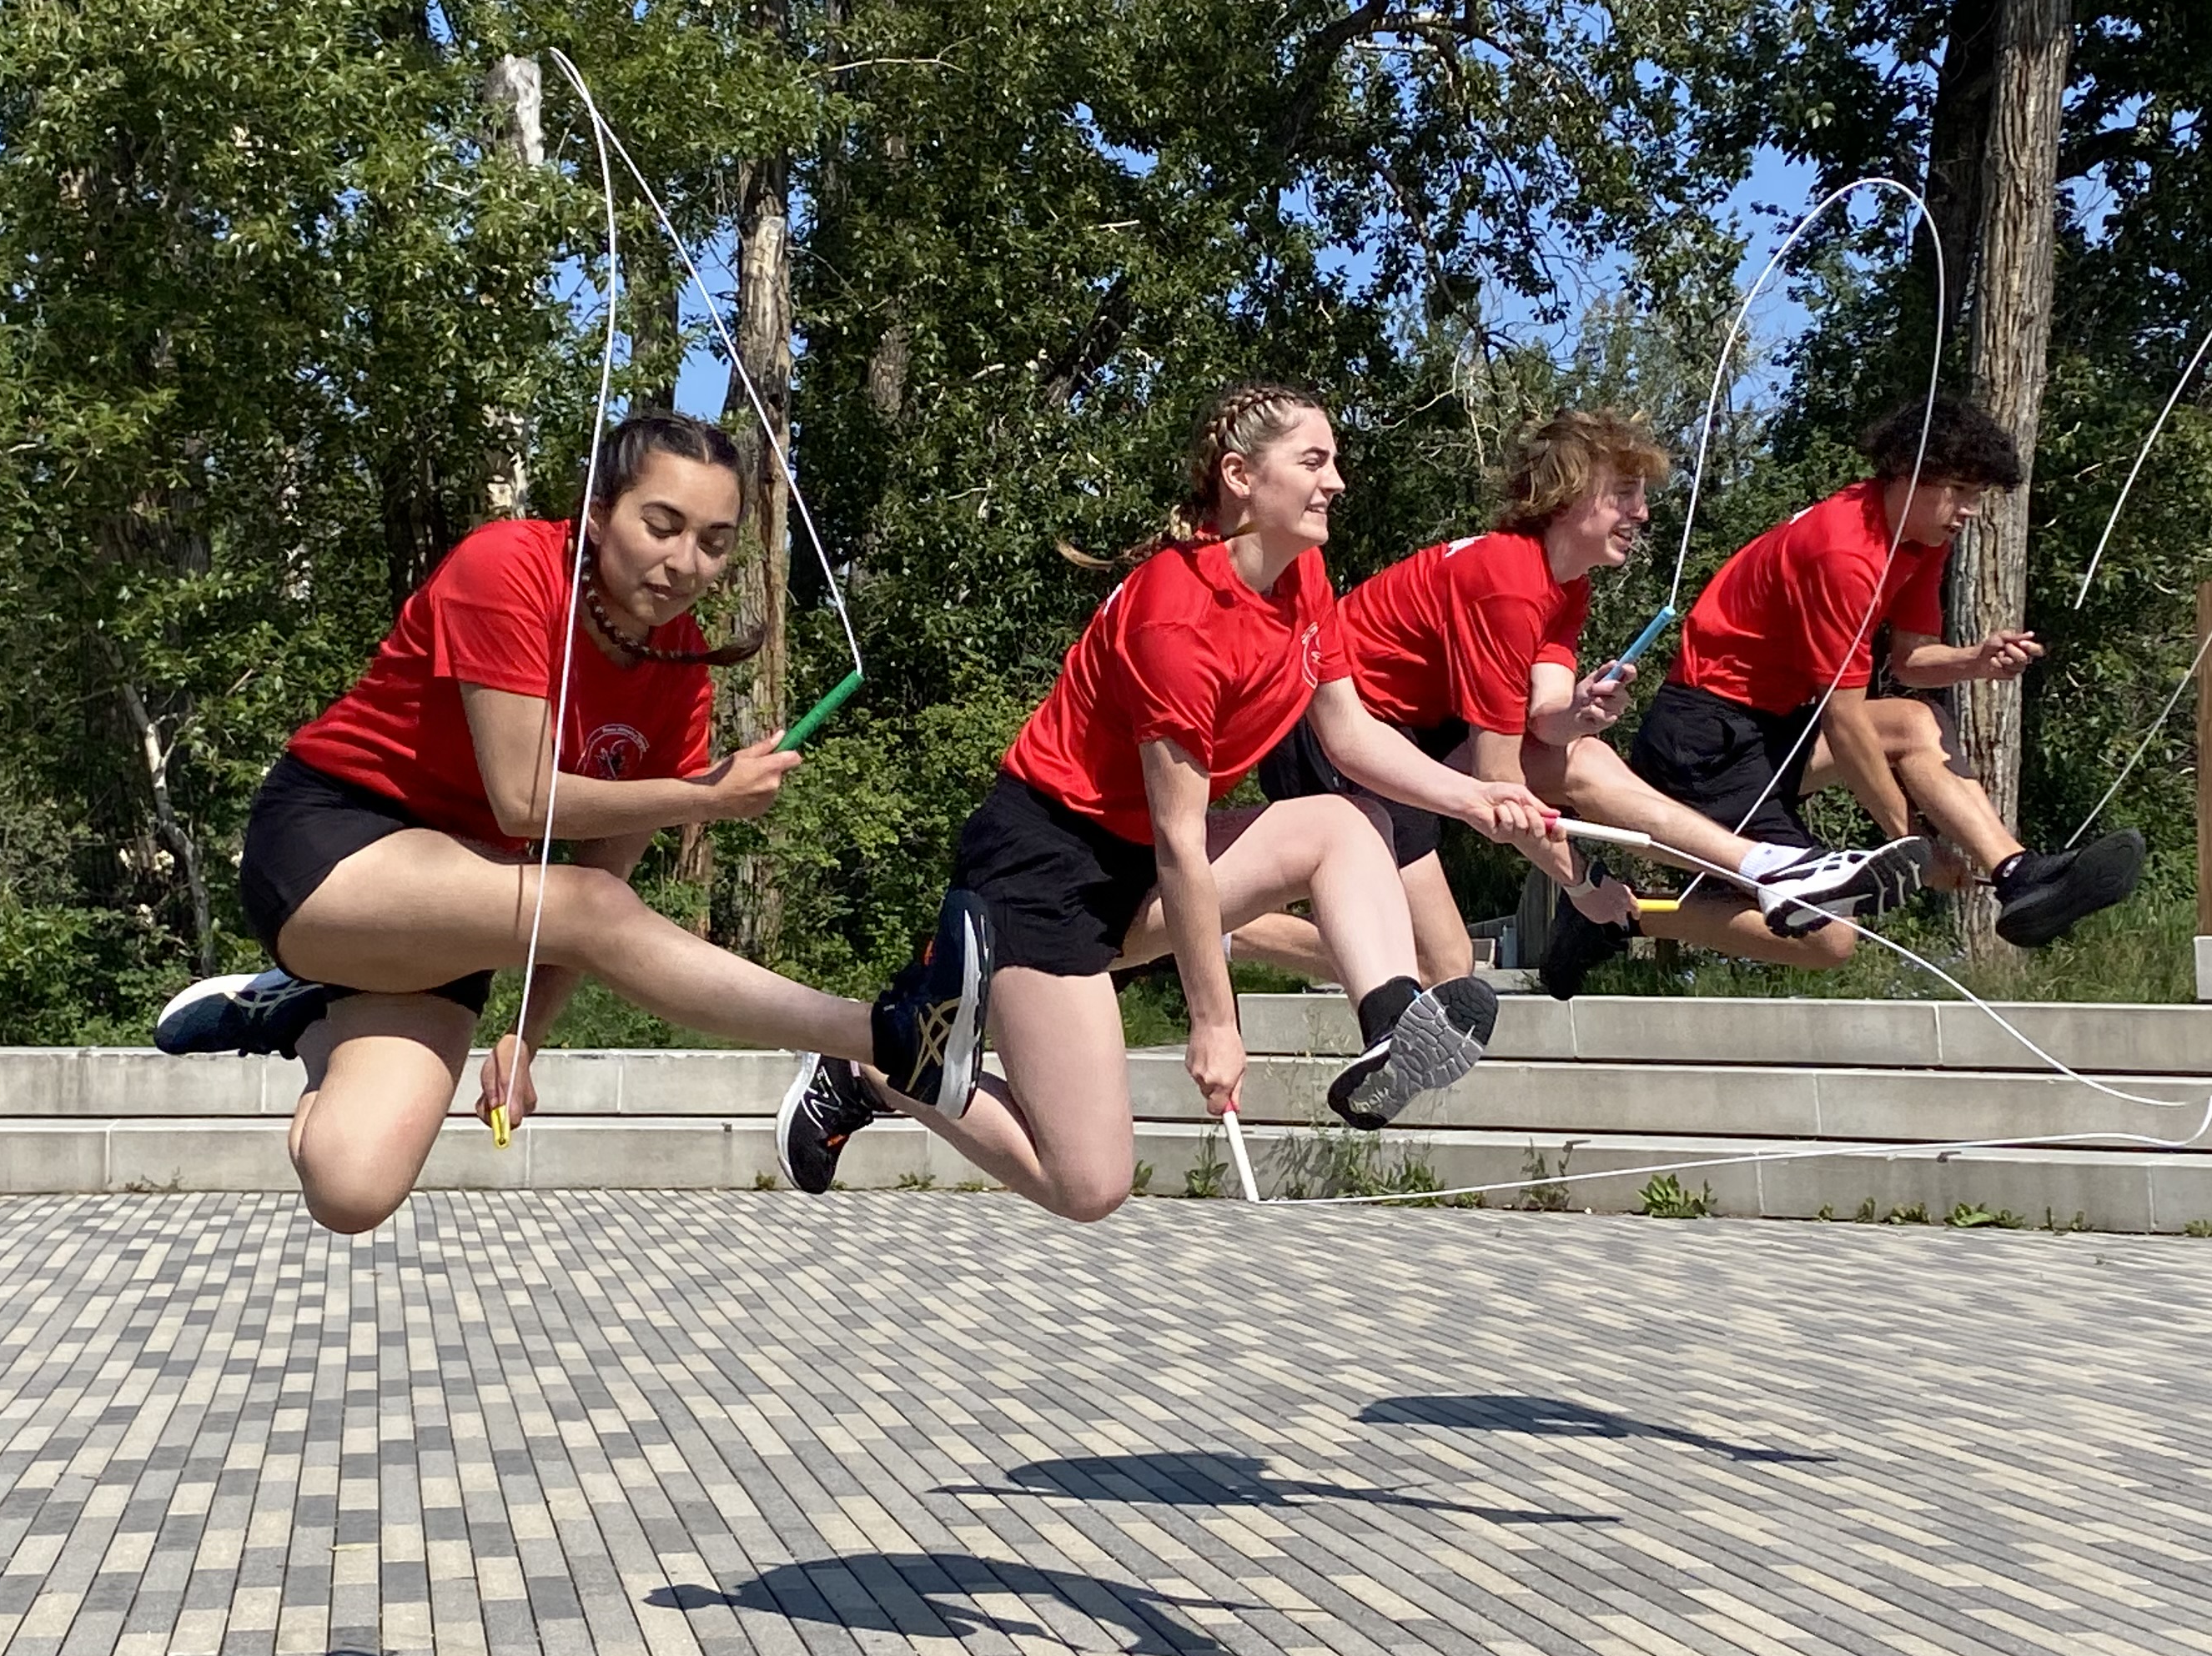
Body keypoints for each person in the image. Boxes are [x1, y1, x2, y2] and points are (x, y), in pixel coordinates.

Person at [150, 411, 985, 1232]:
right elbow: (525, 800)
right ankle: (881, 1034)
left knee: (352, 1189)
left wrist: (525, 1038)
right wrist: (701, 796)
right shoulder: (507, 566)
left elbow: (596, 890)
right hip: (335, 841)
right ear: (598, 513)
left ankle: (302, 1012)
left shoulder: (680, 674)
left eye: (715, 541)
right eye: (662, 525)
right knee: (580, 899)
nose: (684, 561)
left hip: (466, 906)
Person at [772, 384, 1585, 1219]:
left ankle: (1391, 1022)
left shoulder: (1301, 573)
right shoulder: (1177, 621)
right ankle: (868, 1063)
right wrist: (1215, 1022)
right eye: (1314, 461)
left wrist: (1476, 796)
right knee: (1089, 1186)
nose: (1337, 481)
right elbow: (1181, 846)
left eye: (1333, 460)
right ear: (1240, 475)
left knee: (1349, 822)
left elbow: (1348, 738)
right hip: (1046, 865)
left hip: (1139, 857)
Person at [1228, 409, 1929, 998]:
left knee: (1585, 756)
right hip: (1339, 738)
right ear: (1569, 496)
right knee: (1444, 967)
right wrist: (1582, 883)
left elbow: (1545, 718)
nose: (1643, 512)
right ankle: (1218, 923)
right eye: (1625, 492)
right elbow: (1500, 781)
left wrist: (1580, 712)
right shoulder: (1506, 583)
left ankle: (1768, 868)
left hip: (1420, 731)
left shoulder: (1566, 586)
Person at [1551, 395, 2144, 991]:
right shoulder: (1844, 552)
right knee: (1830, 939)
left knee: (1914, 720)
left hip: (1778, 728)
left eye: (1977, 496)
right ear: (1908, 473)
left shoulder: (1920, 541)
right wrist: (1910, 845)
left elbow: (1911, 661)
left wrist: (1975, 660)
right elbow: (1845, 722)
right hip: (1706, 741)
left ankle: (2017, 872)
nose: (1969, 510)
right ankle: (1618, 915)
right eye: (1960, 490)